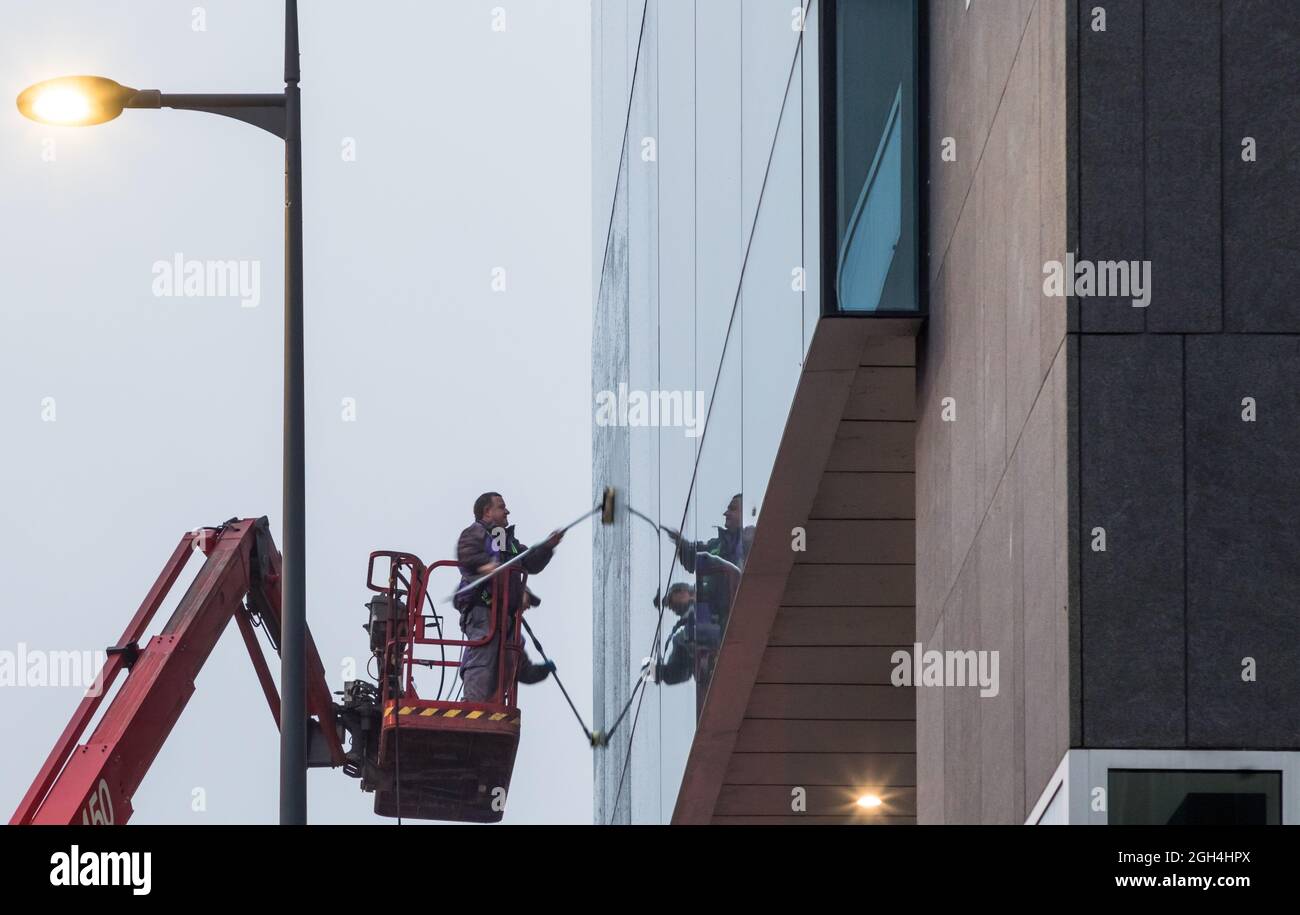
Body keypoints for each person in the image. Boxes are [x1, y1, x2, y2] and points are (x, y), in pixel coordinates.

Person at [454, 492, 563, 702]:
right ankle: (473, 705)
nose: (507, 511)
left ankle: (491, 703)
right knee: (484, 649)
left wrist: (548, 546)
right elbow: (466, 553)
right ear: (487, 511)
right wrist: (483, 565)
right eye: (502, 507)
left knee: (512, 649)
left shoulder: (508, 543)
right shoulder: (476, 533)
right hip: (482, 608)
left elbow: (530, 561)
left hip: (504, 613)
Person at [667, 493, 754, 639]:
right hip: (729, 625)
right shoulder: (717, 545)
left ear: (744, 514)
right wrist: (680, 542)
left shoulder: (753, 539)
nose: (725, 513)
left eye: (732, 509)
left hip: (748, 614)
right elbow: (692, 556)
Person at [641, 583, 697, 686]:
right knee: (680, 640)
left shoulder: (705, 578)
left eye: (672, 601)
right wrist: (659, 673)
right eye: (671, 607)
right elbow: (681, 672)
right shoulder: (682, 635)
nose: (673, 608)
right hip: (711, 655)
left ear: (683, 591)